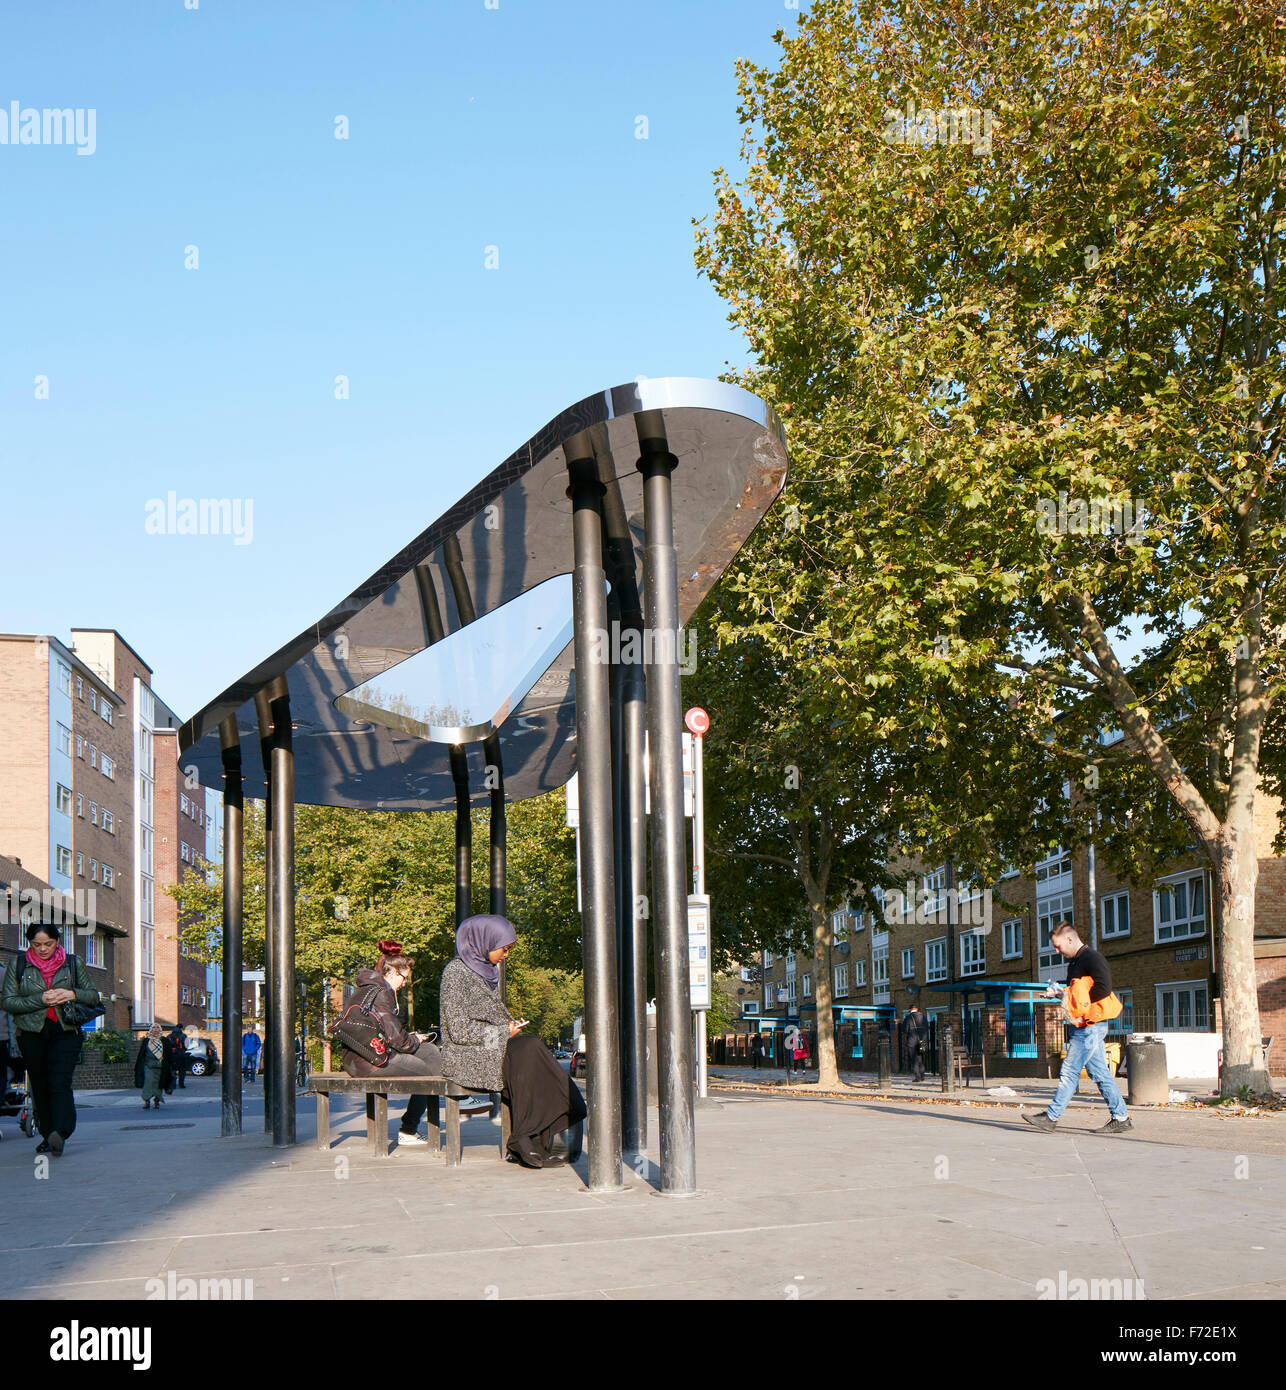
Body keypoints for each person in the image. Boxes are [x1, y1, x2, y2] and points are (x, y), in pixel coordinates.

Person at [440, 914, 586, 1169]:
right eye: (504, 948)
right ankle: (526, 1140)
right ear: (483, 941)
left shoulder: (485, 972)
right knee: (530, 1049)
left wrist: (507, 1029)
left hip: (492, 1048)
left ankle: (538, 1137)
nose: (507, 954)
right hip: (467, 1054)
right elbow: (458, 1031)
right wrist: (504, 1031)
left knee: (534, 1052)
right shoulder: (455, 973)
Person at [0, 922, 101, 1156]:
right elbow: (7, 1002)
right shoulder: (18, 964)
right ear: (29, 943)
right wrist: (40, 1000)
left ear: (57, 942)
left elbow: (93, 996)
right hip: (31, 1033)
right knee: (40, 1084)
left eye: (48, 944)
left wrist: (72, 993)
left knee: (60, 1081)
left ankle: (62, 1131)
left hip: (65, 1032)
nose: (43, 949)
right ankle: (48, 1134)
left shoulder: (73, 963)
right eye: (37, 944)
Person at [1024, 920, 1132, 1134]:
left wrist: (1078, 1002)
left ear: (1070, 939)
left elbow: (1104, 987)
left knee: (1069, 1071)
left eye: (1058, 946)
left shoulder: (1092, 958)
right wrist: (1058, 994)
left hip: (1089, 1026)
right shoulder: (1074, 963)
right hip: (1085, 1025)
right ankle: (1121, 1117)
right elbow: (1076, 994)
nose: (1057, 951)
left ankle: (1051, 1117)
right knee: (1100, 1073)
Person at [341, 941, 446, 1147]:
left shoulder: (369, 988)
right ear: (393, 972)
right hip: (370, 1061)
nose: (405, 983)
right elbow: (397, 1040)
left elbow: (386, 1031)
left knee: (430, 1053)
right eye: (404, 977)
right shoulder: (382, 992)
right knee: (427, 1072)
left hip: (363, 1055)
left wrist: (412, 1038)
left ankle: (418, 1121)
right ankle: (409, 1129)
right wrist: (414, 1038)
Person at [134, 1023, 172, 1109]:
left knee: (159, 1084)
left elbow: (169, 1055)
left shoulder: (164, 1041)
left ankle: (157, 1100)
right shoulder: (146, 1041)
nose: (155, 1029)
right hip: (149, 1066)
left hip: (161, 1067)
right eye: (154, 1028)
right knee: (148, 1083)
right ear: (151, 1030)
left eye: (157, 1027)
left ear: (160, 1029)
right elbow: (142, 1054)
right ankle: (146, 1100)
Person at [901, 1003, 930, 1082]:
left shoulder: (908, 1018)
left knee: (914, 1060)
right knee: (921, 1059)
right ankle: (923, 1076)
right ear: (917, 1009)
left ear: (910, 1010)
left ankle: (917, 1077)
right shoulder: (923, 1017)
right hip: (922, 1041)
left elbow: (905, 1030)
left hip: (912, 1041)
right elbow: (927, 1028)